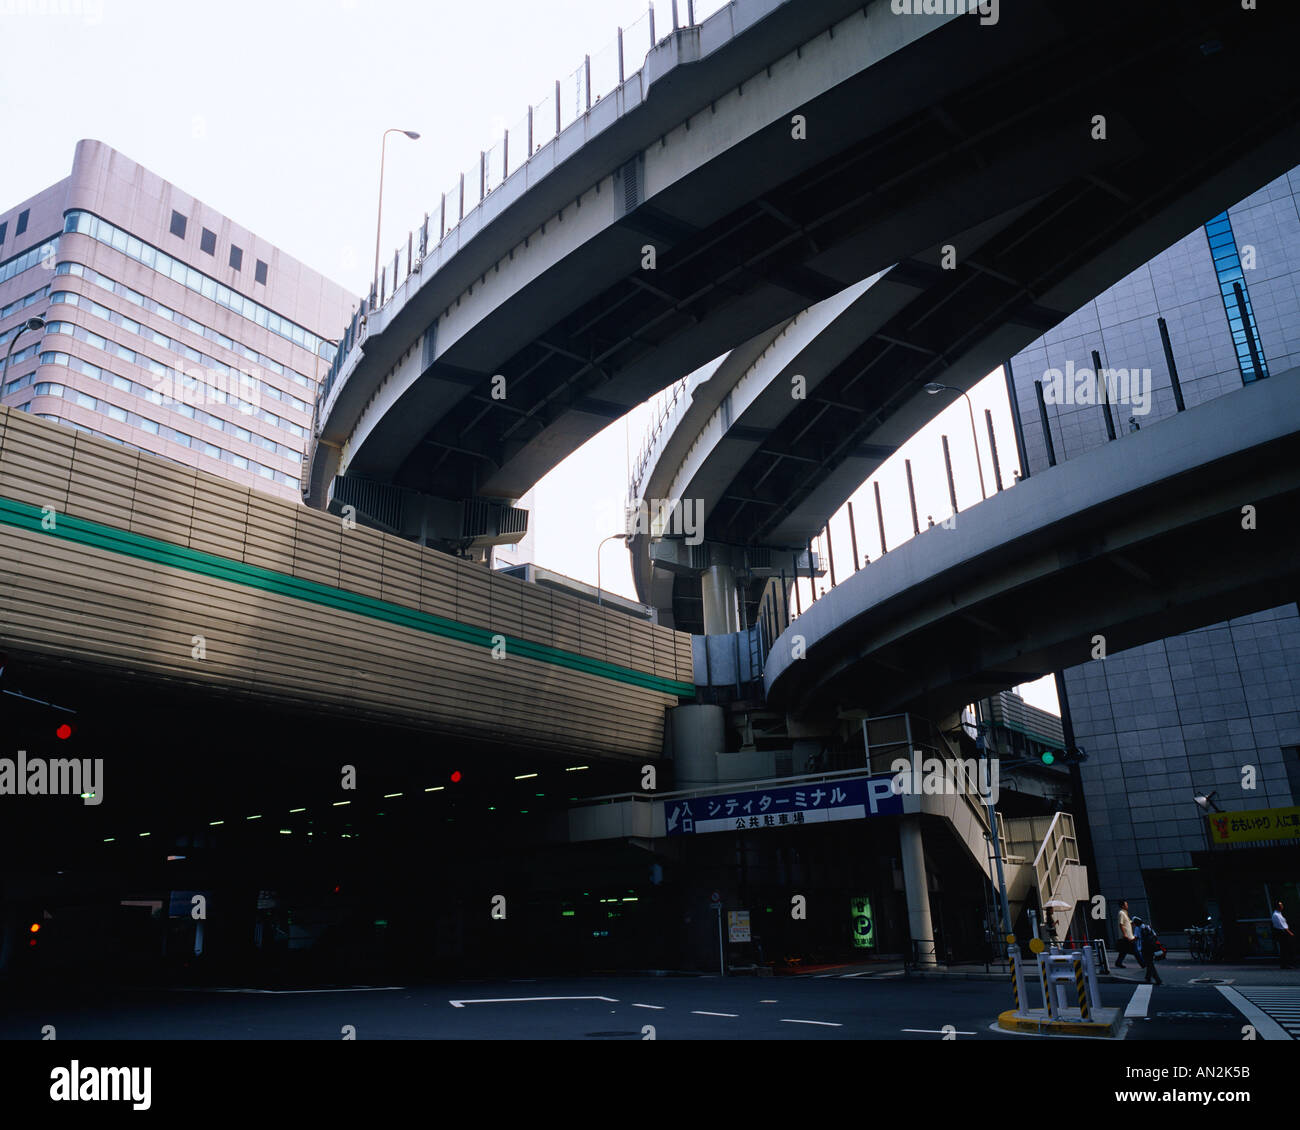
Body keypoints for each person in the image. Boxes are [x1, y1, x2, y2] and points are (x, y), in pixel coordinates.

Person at [1133, 916, 1162, 985]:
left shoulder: (1137, 928)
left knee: (1149, 964)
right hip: (1151, 947)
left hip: (1143, 948)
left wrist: (1132, 940)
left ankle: (1158, 979)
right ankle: (1147, 977)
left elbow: (1136, 937)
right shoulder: (1147, 926)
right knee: (1149, 962)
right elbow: (1155, 935)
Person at [1272, 901, 1295, 970]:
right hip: (1282, 933)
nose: (1282, 906)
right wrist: (1290, 933)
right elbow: (1282, 926)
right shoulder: (1276, 915)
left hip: (1284, 932)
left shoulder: (1279, 914)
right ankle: (1285, 964)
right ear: (1277, 906)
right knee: (1284, 949)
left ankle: (1288, 963)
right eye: (1281, 905)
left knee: (1287, 948)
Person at [1115, 900, 1136, 969]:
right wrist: (1124, 934)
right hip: (1126, 936)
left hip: (1129, 935)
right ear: (1123, 906)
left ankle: (1118, 962)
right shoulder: (1121, 913)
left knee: (1123, 951)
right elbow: (1121, 924)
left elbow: (1129, 922)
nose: (1127, 906)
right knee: (1135, 950)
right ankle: (1143, 964)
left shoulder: (1125, 913)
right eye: (1126, 905)